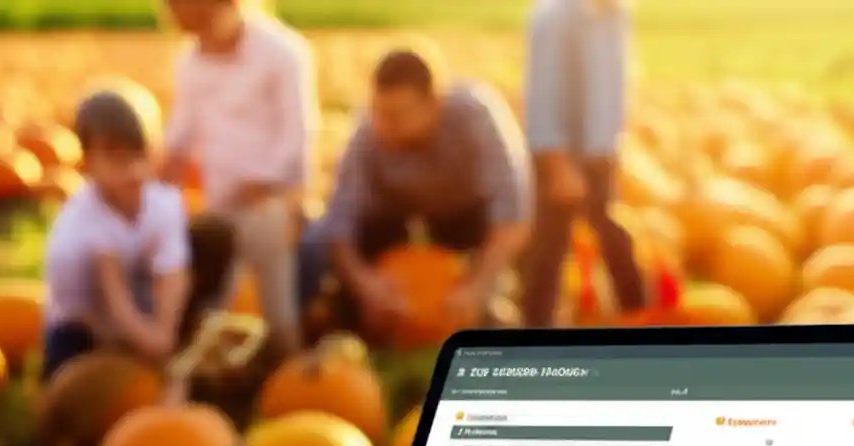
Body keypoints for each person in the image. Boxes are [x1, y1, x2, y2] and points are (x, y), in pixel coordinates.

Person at [304, 49, 531, 339]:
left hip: (466, 219)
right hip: (392, 224)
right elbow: (339, 223)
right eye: (379, 112)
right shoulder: (368, 130)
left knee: (486, 316)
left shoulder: (476, 115)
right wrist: (365, 284)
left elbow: (512, 214)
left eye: (398, 115)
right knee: (343, 300)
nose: (385, 125)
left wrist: (476, 288)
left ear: (434, 104)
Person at [161, 0, 318, 362]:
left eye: (204, 21)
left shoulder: (281, 52)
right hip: (220, 205)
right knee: (215, 302)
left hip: (273, 198)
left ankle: (286, 359)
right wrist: (158, 185)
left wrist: (263, 183)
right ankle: (216, 371)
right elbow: (181, 135)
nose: (200, 35)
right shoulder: (190, 62)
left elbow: (296, 136)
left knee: (275, 298)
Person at [42, 90, 191, 380]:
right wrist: (148, 343)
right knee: (72, 391)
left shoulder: (164, 202)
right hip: (85, 325)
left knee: (212, 238)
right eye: (116, 159)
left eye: (139, 155)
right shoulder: (75, 233)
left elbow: (172, 272)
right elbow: (106, 307)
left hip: (143, 303)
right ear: (88, 162)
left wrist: (164, 331)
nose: (133, 171)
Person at [521, 0, 646, 326]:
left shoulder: (616, 14)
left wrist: (610, 146)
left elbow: (612, 86)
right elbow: (544, 98)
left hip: (599, 154)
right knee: (550, 244)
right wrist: (557, 165)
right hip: (563, 155)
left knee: (609, 231)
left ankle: (638, 314)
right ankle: (535, 330)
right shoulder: (555, 17)